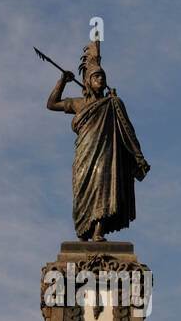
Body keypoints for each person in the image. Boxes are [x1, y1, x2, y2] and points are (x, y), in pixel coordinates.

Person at [46, 41, 150, 241]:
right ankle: (84, 233)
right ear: (88, 81)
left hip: (105, 154)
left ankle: (98, 232)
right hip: (84, 154)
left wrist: (138, 156)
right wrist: (62, 81)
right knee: (82, 192)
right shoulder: (78, 104)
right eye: (96, 76)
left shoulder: (113, 103)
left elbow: (128, 130)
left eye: (102, 76)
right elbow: (52, 104)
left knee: (103, 187)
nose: (101, 79)